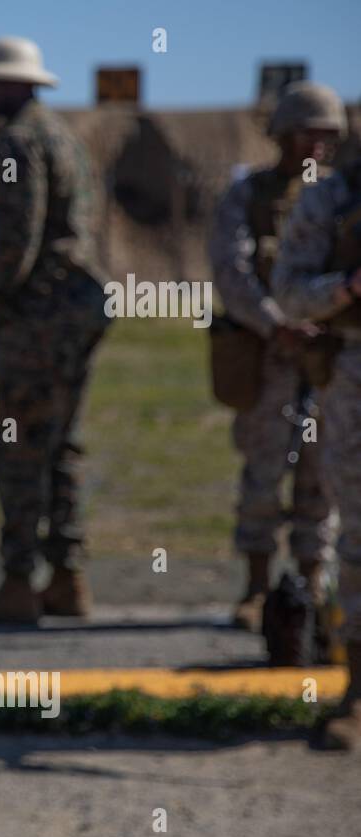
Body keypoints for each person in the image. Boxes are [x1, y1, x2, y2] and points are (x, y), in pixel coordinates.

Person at [0, 36, 112, 623]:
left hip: (40, 313)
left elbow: (19, 238)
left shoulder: (16, 140)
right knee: (61, 441)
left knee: (18, 442)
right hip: (79, 304)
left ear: (17, 85)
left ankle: (19, 582)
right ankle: (68, 576)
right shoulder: (61, 133)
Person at [209, 81, 345, 632]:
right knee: (263, 472)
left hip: (327, 357)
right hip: (268, 356)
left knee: (322, 477)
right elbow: (230, 268)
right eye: (307, 133)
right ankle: (258, 589)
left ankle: (311, 591)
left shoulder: (341, 198)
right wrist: (276, 324)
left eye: (326, 135)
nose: (316, 146)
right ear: (283, 134)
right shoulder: (249, 194)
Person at [271, 144, 361, 751]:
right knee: (357, 533)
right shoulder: (333, 198)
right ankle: (358, 690)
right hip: (355, 379)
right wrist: (349, 288)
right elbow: (291, 292)